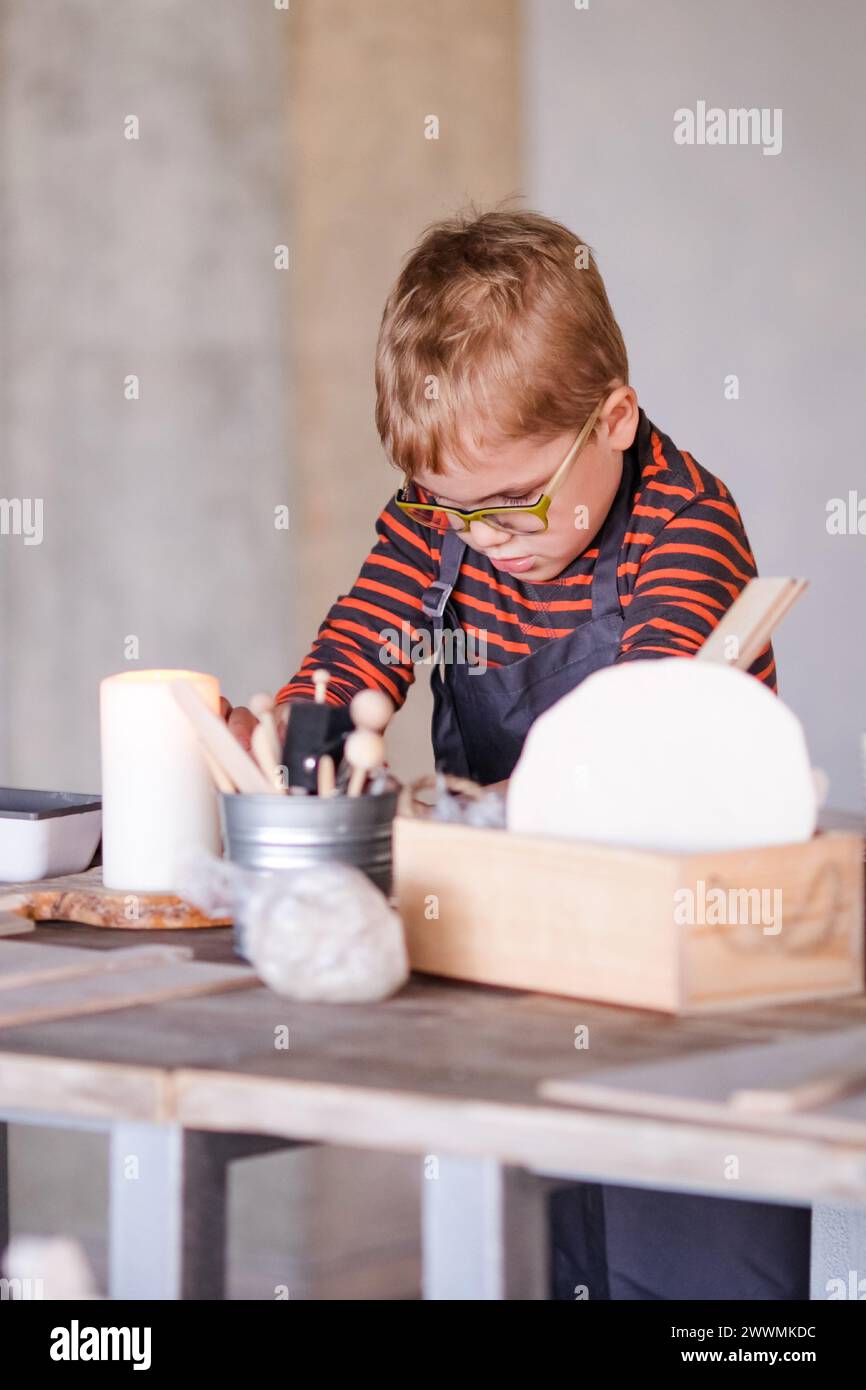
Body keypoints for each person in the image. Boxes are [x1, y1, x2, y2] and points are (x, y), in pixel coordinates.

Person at [225, 209, 810, 1299]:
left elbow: (638, 741)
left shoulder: (686, 530)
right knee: (535, 1257)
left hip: (689, 988)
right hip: (524, 967)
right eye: (457, 514)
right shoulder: (443, 522)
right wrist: (294, 736)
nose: (487, 539)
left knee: (695, 1281)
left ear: (615, 418)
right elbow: (356, 651)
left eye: (514, 504)